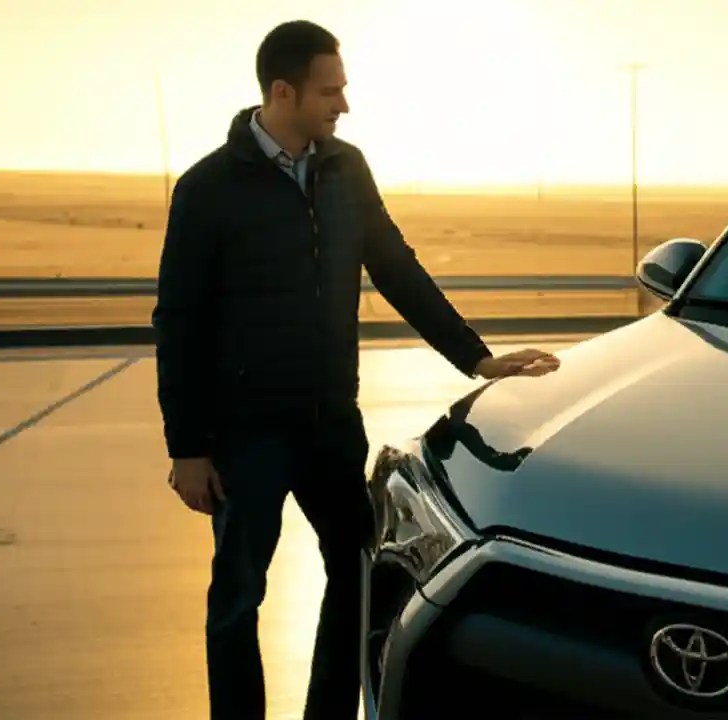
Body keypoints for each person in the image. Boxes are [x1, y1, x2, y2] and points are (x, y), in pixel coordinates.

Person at [151, 19, 560, 720]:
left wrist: (476, 357)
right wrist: (187, 448)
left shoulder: (346, 170)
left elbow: (397, 267)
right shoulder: (209, 188)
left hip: (332, 427)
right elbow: (178, 322)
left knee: (355, 577)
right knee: (238, 597)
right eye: (329, 90)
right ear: (283, 92)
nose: (343, 105)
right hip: (245, 437)